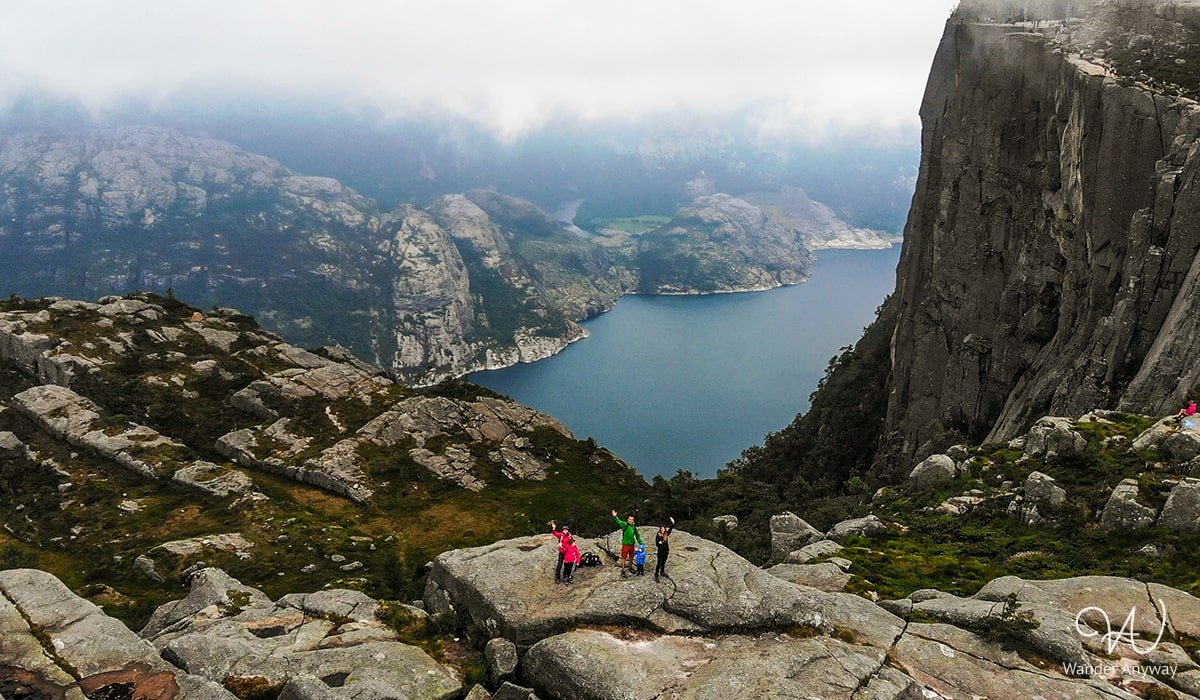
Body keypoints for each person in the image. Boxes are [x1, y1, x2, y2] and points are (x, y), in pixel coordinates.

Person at [611, 509, 643, 578]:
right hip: (625, 545)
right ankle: (622, 570)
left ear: (633, 521)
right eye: (629, 519)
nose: (629, 520)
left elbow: (637, 535)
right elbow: (619, 521)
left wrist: (641, 543)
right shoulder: (625, 525)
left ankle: (630, 567)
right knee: (624, 557)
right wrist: (615, 516)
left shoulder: (633, 527)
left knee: (631, 557)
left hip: (632, 545)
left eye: (631, 519)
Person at [655, 517, 675, 582]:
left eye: (664, 529)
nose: (663, 530)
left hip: (666, 550)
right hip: (660, 551)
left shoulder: (666, 534)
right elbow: (657, 544)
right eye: (662, 529)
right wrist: (660, 543)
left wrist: (673, 523)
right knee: (659, 563)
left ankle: (662, 572)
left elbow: (671, 529)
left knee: (663, 562)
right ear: (660, 529)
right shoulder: (658, 535)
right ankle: (656, 575)